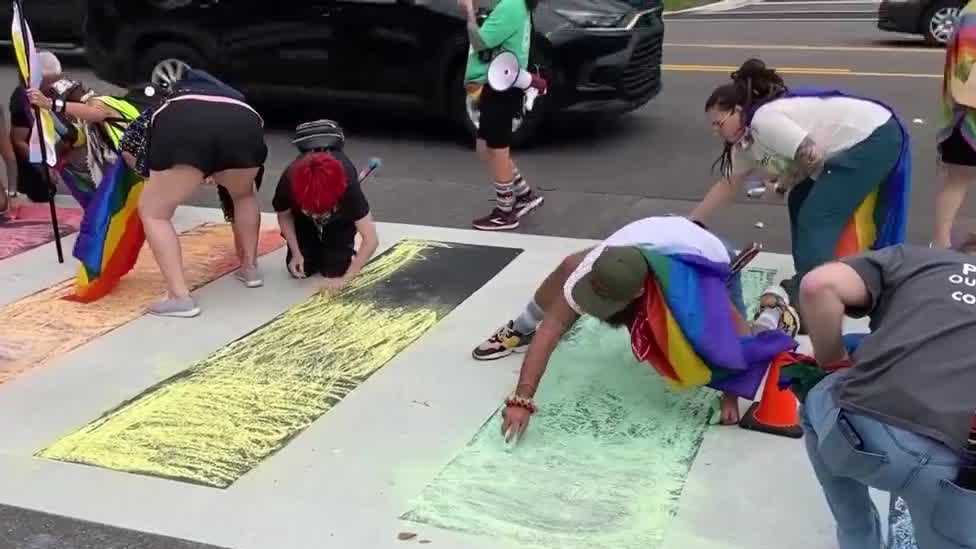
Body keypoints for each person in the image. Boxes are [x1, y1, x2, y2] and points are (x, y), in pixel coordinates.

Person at [473, 216, 799, 439]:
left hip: (709, 256)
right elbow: (552, 328)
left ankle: (773, 310)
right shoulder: (594, 268)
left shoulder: (688, 287)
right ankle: (520, 327)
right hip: (659, 236)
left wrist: (730, 393)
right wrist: (522, 399)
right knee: (568, 266)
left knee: (713, 340)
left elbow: (733, 343)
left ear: (640, 293)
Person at [691, 59, 910, 316]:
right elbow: (727, 185)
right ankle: (808, 277)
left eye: (719, 123)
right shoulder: (745, 142)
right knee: (800, 200)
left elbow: (812, 156)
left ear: (738, 110)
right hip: (856, 141)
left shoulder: (764, 121)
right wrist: (692, 223)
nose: (715, 131)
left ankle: (813, 297)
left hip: (873, 137)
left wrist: (782, 184)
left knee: (817, 214)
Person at [798, 239, 976, 549]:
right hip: (954, 461)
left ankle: (857, 534)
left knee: (818, 391)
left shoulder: (920, 259)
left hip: (862, 432)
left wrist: (834, 366)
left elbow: (819, 285)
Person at [118, 68, 267, 318]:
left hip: (185, 130)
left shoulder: (169, 103)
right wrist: (209, 167)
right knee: (243, 196)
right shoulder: (239, 102)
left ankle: (180, 297)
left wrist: (161, 181)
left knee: (154, 213)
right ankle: (250, 268)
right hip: (245, 125)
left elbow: (131, 146)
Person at [459, 0, 545, 231]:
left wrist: (469, 14)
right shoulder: (515, 4)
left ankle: (505, 212)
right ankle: (524, 195)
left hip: (501, 86)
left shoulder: (511, 5)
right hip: (502, 83)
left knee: (497, 149)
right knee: (485, 148)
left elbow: (480, 42)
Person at [273, 119, 378, 289]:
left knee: (336, 271)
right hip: (302, 218)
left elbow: (371, 239)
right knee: (302, 268)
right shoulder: (288, 181)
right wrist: (296, 253)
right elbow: (284, 216)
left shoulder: (348, 185)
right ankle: (311, 244)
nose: (318, 216)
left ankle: (339, 248)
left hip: (339, 217)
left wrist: (347, 278)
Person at [933, 1, 976, 248]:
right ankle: (941, 244)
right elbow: (964, 71)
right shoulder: (973, 14)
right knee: (958, 180)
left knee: (959, 180)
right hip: (967, 117)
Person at [8, 51, 66, 203]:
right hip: (32, 155)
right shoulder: (22, 100)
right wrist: (43, 168)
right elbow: (19, 142)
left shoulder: (55, 89)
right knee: (42, 196)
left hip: (49, 144)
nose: (53, 88)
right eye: (48, 84)